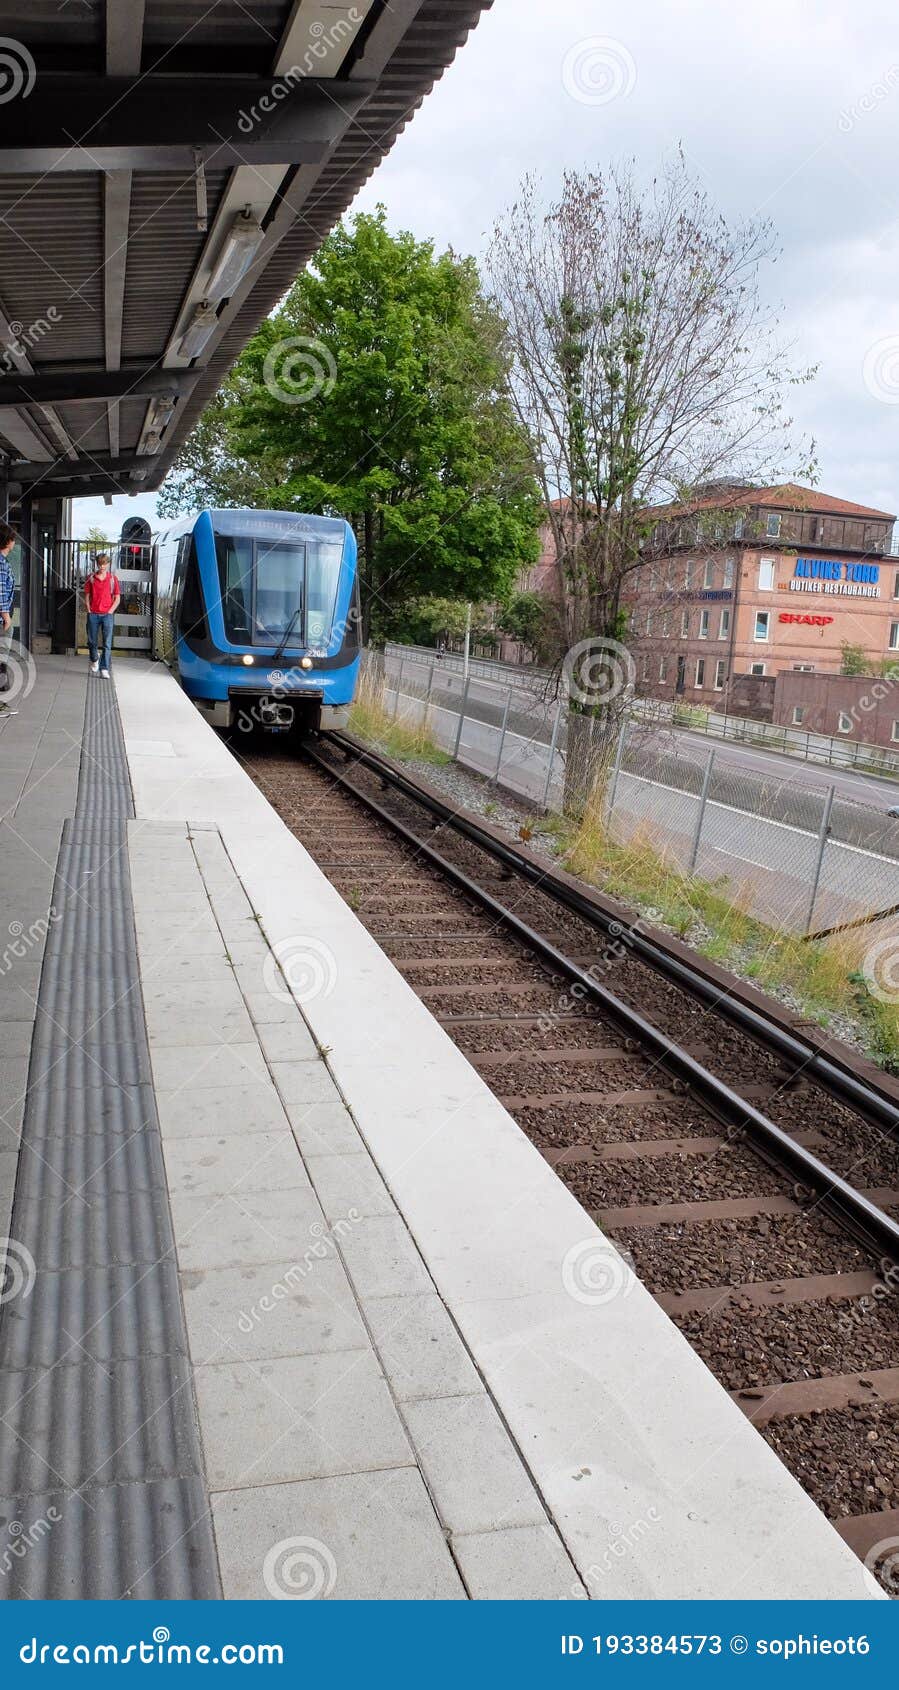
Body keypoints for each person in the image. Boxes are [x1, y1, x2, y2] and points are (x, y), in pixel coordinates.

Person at [83, 552, 120, 677]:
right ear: (97, 564)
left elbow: (117, 598)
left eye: (104, 564)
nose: (102, 566)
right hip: (93, 614)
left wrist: (110, 611)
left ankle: (104, 668)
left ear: (108, 564)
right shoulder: (91, 578)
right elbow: (87, 596)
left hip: (107, 615)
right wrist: (89, 609)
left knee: (107, 643)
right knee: (91, 641)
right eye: (100, 564)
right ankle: (94, 659)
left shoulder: (113, 579)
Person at [0, 521, 17, 716]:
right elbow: (0, 592)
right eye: (13, 538)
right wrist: (6, 617)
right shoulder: (1, 564)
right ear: (7, 541)